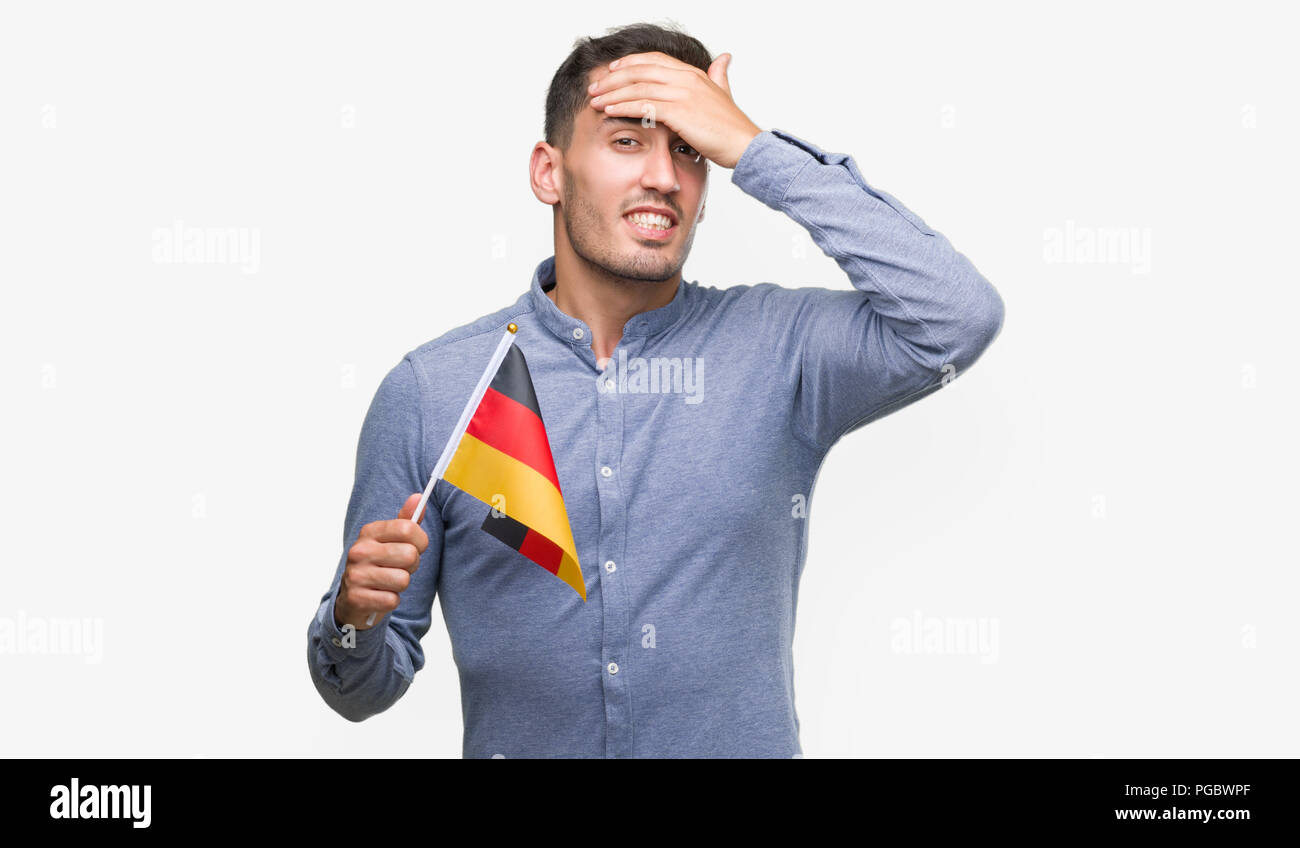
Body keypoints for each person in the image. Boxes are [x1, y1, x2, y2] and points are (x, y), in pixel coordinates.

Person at [306, 21, 1005, 757]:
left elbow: (957, 316)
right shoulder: (434, 392)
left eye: (688, 148)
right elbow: (358, 690)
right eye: (627, 141)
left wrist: (751, 147)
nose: (665, 178)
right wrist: (354, 616)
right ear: (549, 172)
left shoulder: (779, 352)